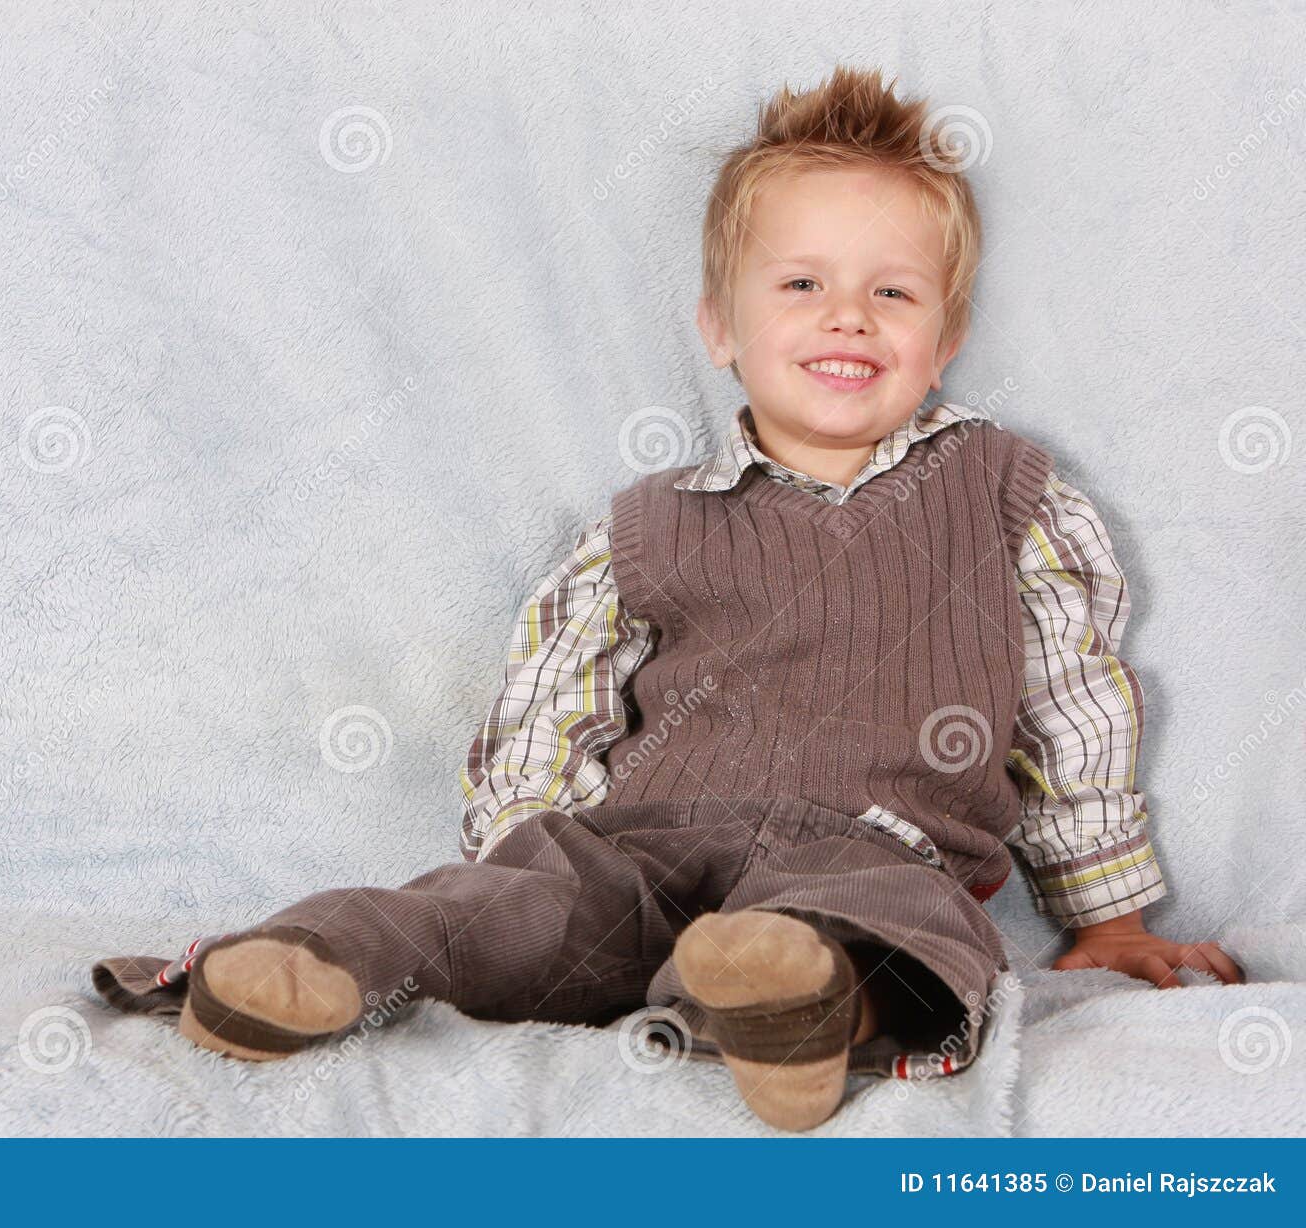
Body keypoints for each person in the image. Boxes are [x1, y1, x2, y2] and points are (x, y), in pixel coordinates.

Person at [92, 63, 1245, 1132]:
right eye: (801, 283)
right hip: (634, 844)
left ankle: (795, 999)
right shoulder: (647, 520)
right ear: (719, 326)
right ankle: (311, 962)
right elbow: (553, 698)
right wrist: (522, 854)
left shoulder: (1003, 494)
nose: (847, 315)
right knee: (496, 912)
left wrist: (1106, 911)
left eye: (891, 292)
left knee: (904, 921)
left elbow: (1074, 702)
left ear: (941, 340)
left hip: (875, 844)